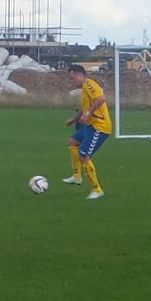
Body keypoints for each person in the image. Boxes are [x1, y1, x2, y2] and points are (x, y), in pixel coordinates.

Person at [63, 63, 111, 199]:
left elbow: (101, 98)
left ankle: (97, 190)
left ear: (79, 75)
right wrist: (74, 119)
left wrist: (89, 113)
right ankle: (77, 176)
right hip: (92, 126)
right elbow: (83, 107)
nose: (72, 81)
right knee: (73, 141)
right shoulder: (84, 88)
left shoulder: (89, 84)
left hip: (100, 127)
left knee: (84, 156)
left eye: (72, 78)